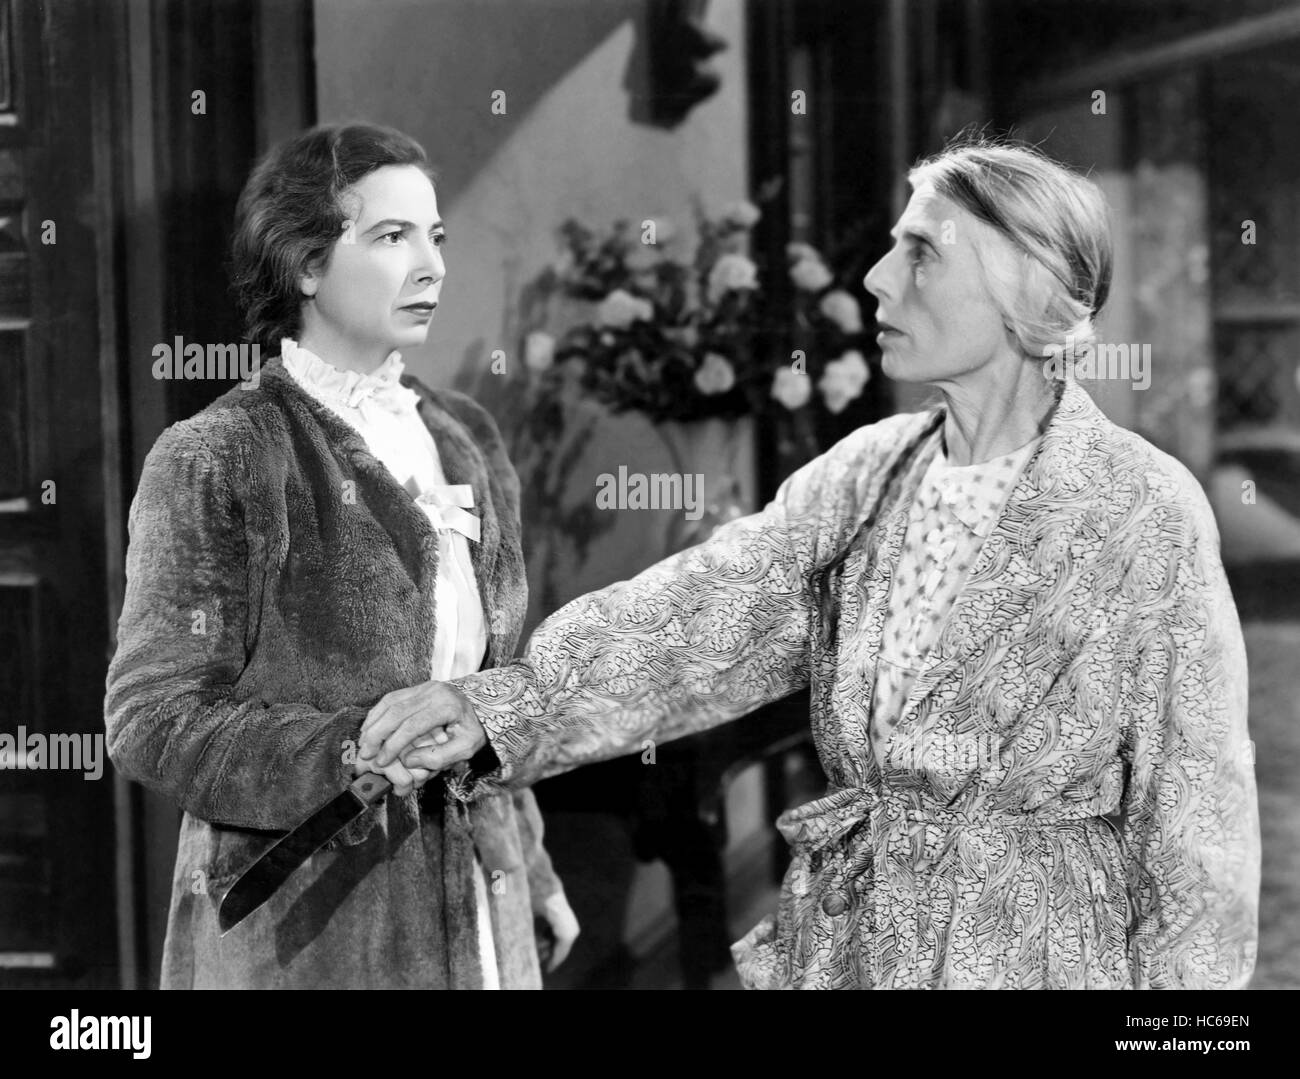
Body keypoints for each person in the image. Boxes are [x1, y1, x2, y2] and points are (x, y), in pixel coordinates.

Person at [362, 138, 1261, 990]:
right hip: (853, 947)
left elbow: (1197, 820)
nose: (877, 277)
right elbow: (696, 618)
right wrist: (495, 705)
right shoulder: (867, 476)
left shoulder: (1140, 507)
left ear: (1023, 286)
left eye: (921, 253)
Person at [104, 123, 577, 989]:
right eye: (391, 236)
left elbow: (494, 687)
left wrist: (534, 871)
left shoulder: (466, 435)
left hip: (481, 909)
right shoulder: (222, 454)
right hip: (309, 937)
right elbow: (152, 718)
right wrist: (348, 752)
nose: (430, 266)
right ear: (306, 265)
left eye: (435, 236)